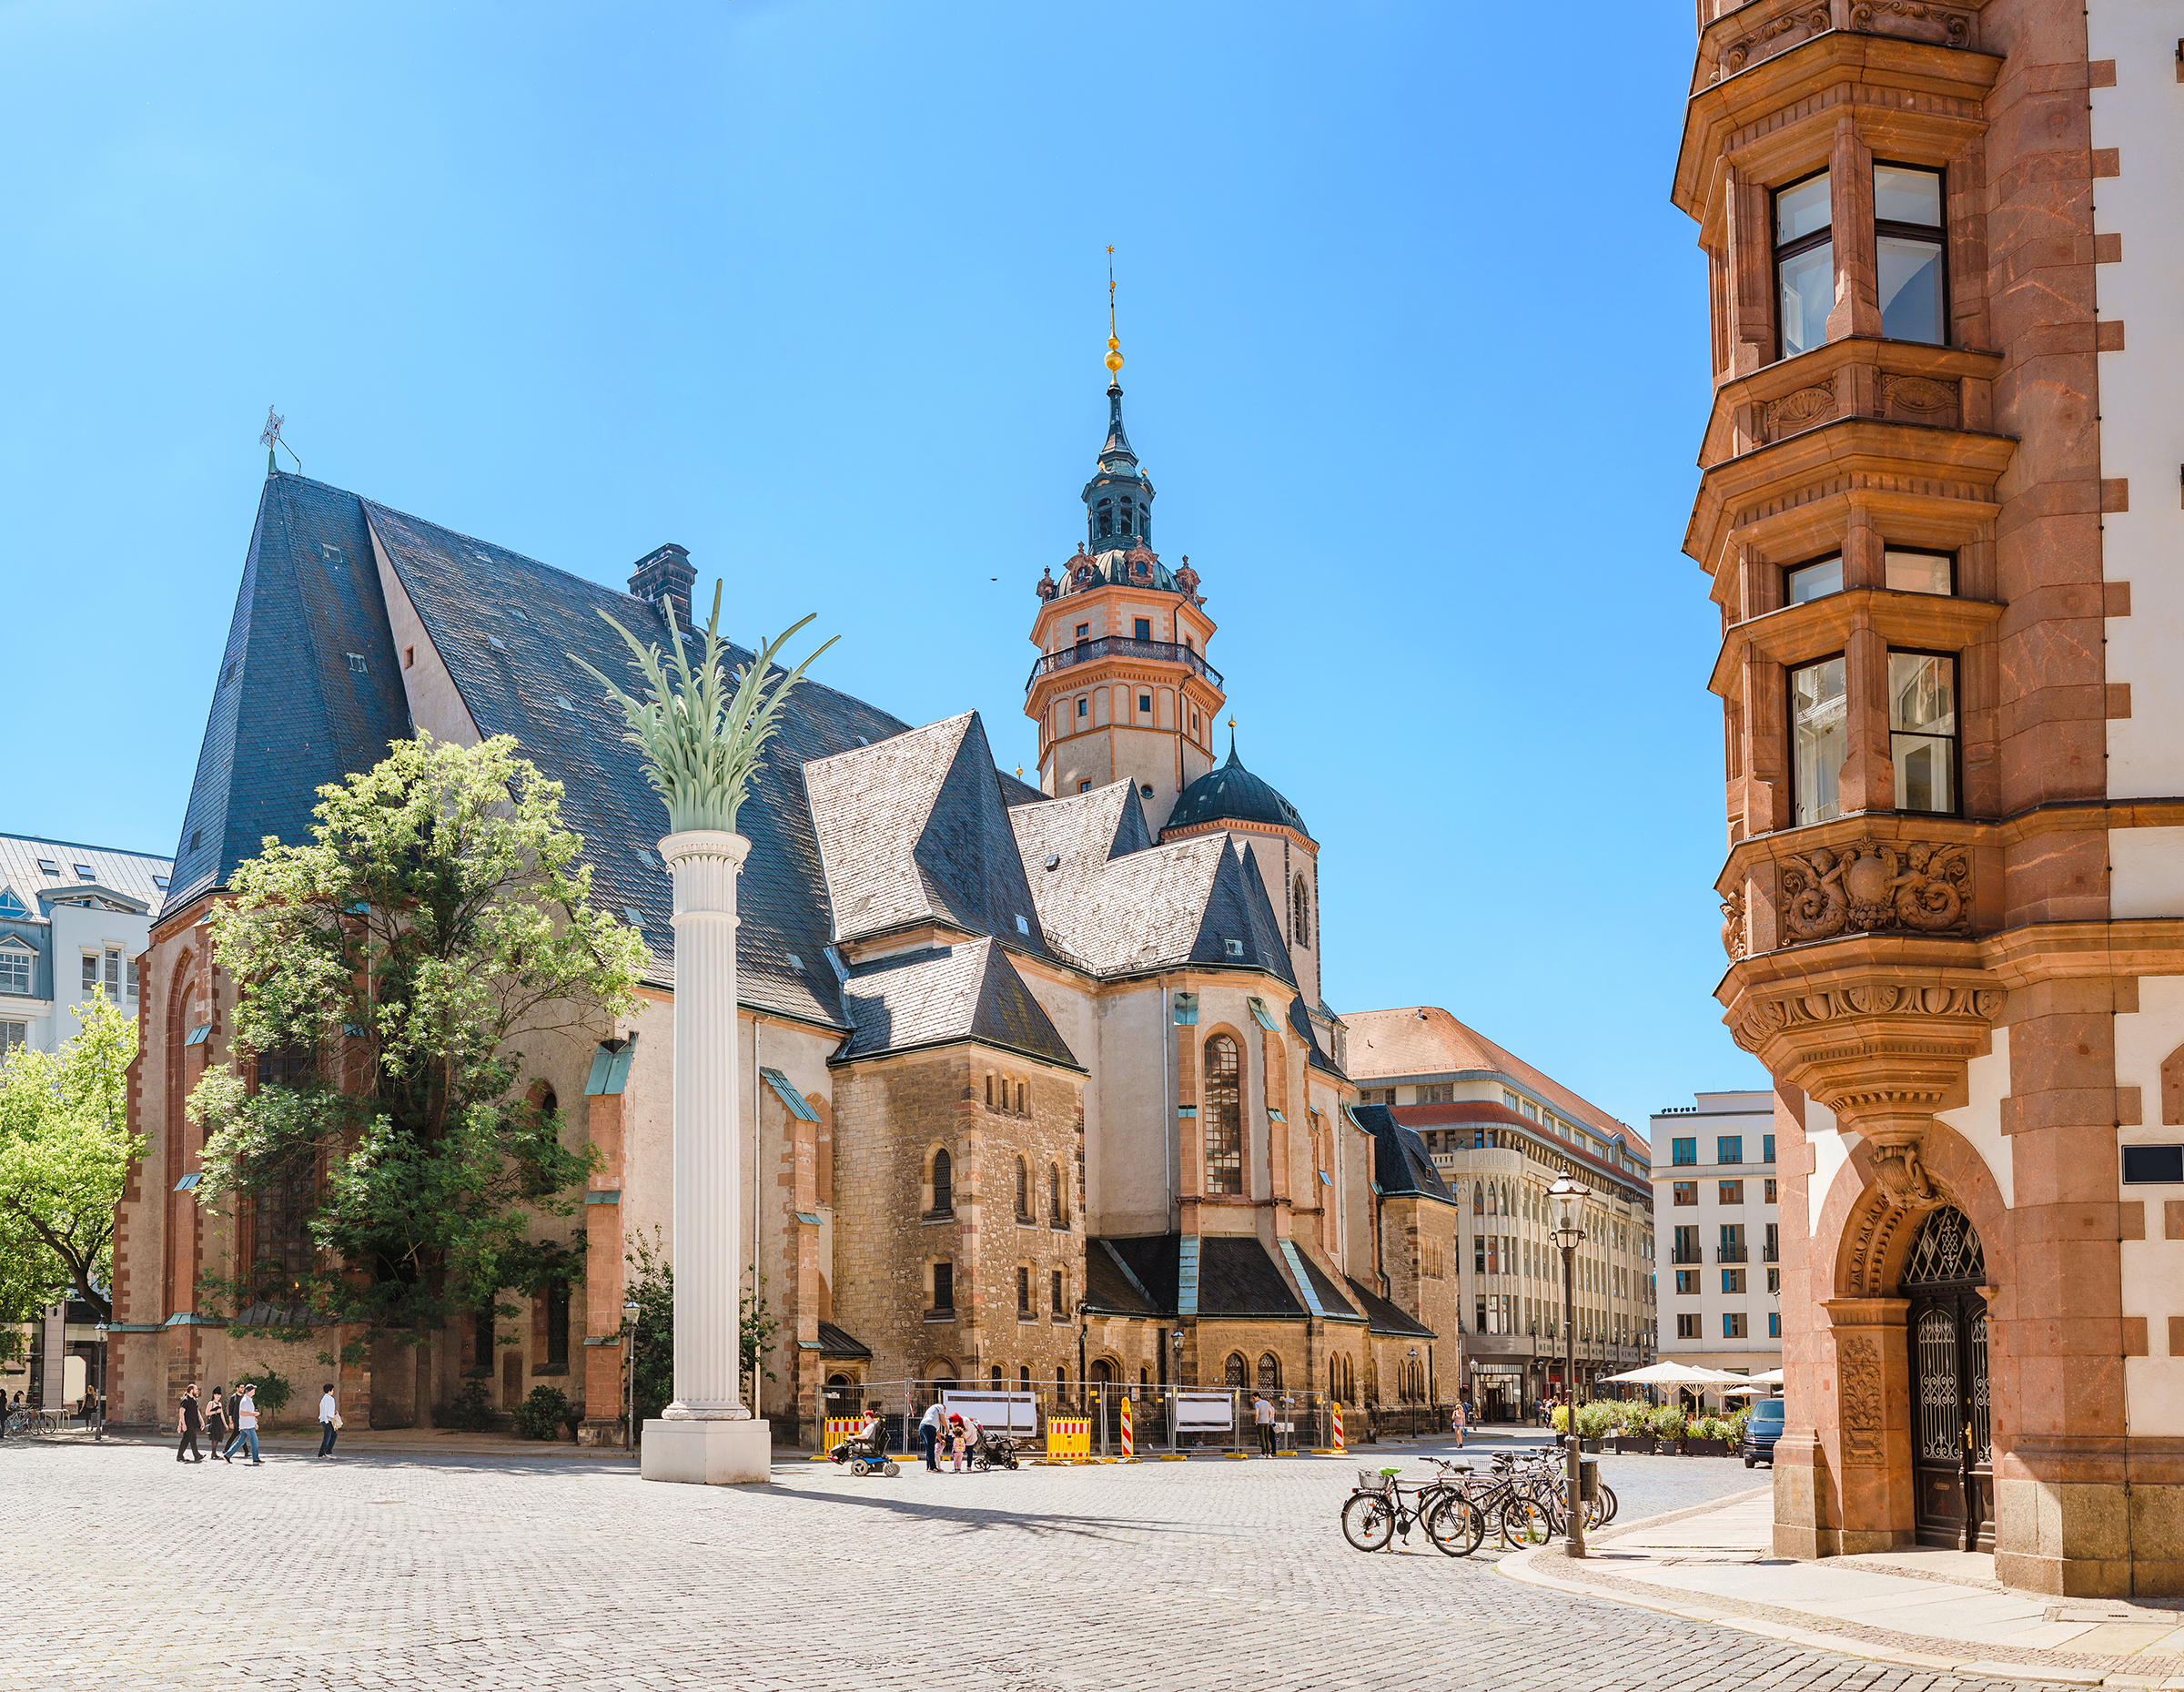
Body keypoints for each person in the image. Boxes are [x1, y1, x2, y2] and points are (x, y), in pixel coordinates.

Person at [228, 1382, 262, 1464]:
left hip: (247, 1424)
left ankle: (227, 1455)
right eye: (253, 1389)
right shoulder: (245, 1400)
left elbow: (248, 1412)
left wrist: (254, 1419)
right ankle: (256, 1458)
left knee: (240, 1441)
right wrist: (253, 1414)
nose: (254, 1391)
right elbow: (242, 1413)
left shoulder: (248, 1400)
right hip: (247, 1425)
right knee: (254, 1441)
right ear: (250, 1391)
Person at [176, 1383, 205, 1463]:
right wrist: (182, 1424)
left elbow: (197, 1411)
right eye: (196, 1389)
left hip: (193, 1422)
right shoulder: (185, 1400)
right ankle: (197, 1455)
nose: (197, 1390)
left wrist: (202, 1421)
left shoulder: (194, 1400)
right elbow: (181, 1412)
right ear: (191, 1390)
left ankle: (180, 1456)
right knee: (193, 1437)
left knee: (186, 1440)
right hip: (188, 1423)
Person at [917, 1398, 946, 1472]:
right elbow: (943, 1420)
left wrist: (940, 1440)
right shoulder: (940, 1407)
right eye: (944, 1412)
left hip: (922, 1427)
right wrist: (947, 1427)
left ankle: (929, 1466)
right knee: (931, 1448)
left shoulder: (933, 1415)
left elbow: (937, 1431)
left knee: (928, 1448)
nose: (944, 1413)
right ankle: (932, 1467)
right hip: (929, 1428)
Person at [205, 1385, 228, 1458]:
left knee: (218, 1437)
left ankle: (214, 1452)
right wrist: (215, 1412)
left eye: (220, 1395)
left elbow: (222, 1415)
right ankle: (213, 1453)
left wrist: (225, 1424)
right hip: (213, 1421)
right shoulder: (211, 1403)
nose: (219, 1396)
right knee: (214, 1437)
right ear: (214, 1395)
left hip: (219, 1422)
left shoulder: (220, 1404)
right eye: (217, 1395)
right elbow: (207, 1413)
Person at [318, 1383, 340, 1457]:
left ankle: (328, 1451)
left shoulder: (324, 1398)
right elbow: (327, 1410)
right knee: (328, 1437)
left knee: (333, 1435)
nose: (333, 1391)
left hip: (325, 1419)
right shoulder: (330, 1399)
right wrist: (332, 1415)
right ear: (330, 1391)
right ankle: (322, 1453)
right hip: (327, 1420)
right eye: (333, 1390)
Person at [1253, 1392, 1276, 1456]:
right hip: (1266, 1422)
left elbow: (1257, 1414)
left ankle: (1264, 1453)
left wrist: (1256, 1421)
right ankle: (1269, 1453)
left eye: (1254, 1398)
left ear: (1257, 1397)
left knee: (1262, 1437)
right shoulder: (1266, 1402)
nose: (1254, 1399)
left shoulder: (1257, 1404)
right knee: (1267, 1437)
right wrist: (1268, 1420)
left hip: (1260, 1422)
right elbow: (1271, 1412)